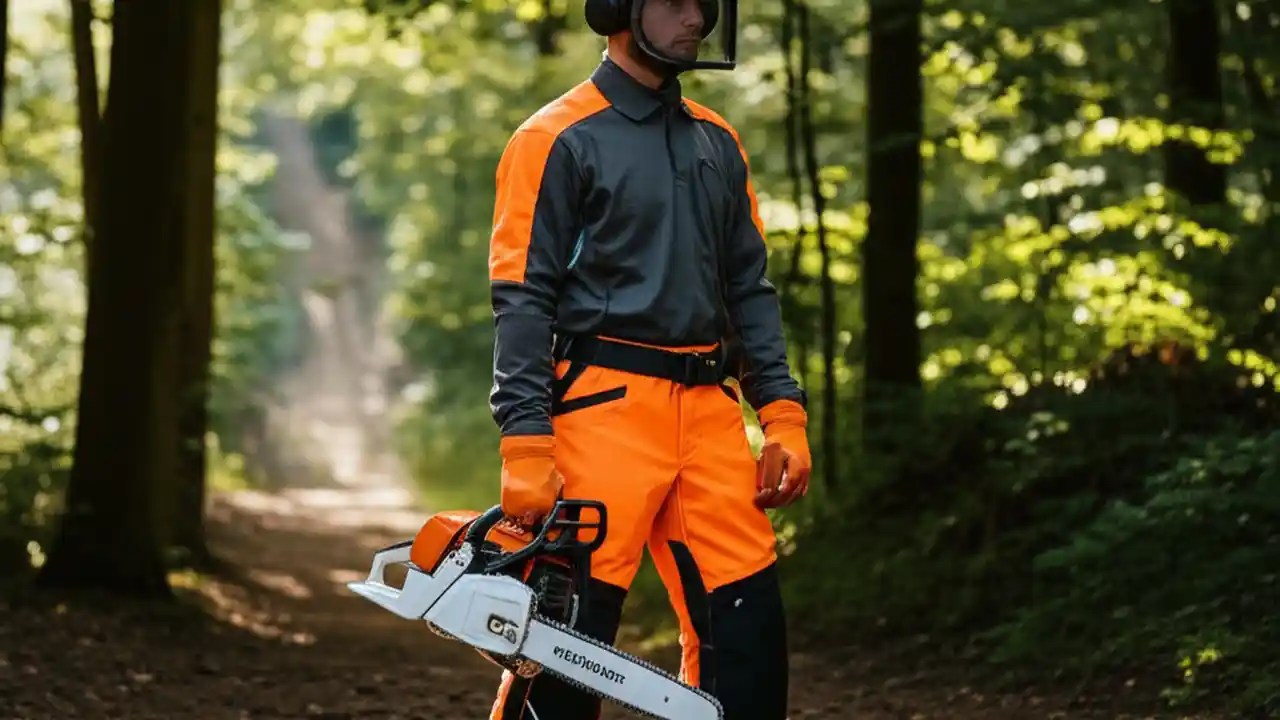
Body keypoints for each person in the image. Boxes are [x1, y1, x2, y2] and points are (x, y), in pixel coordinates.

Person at [485, 0, 811, 717]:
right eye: (674, 1)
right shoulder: (555, 137)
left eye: (704, 3)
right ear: (618, 9)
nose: (695, 18)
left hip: (708, 414)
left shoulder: (717, 142)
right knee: (563, 642)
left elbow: (749, 290)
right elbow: (522, 297)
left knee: (749, 630)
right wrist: (525, 438)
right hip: (600, 406)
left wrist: (782, 414)